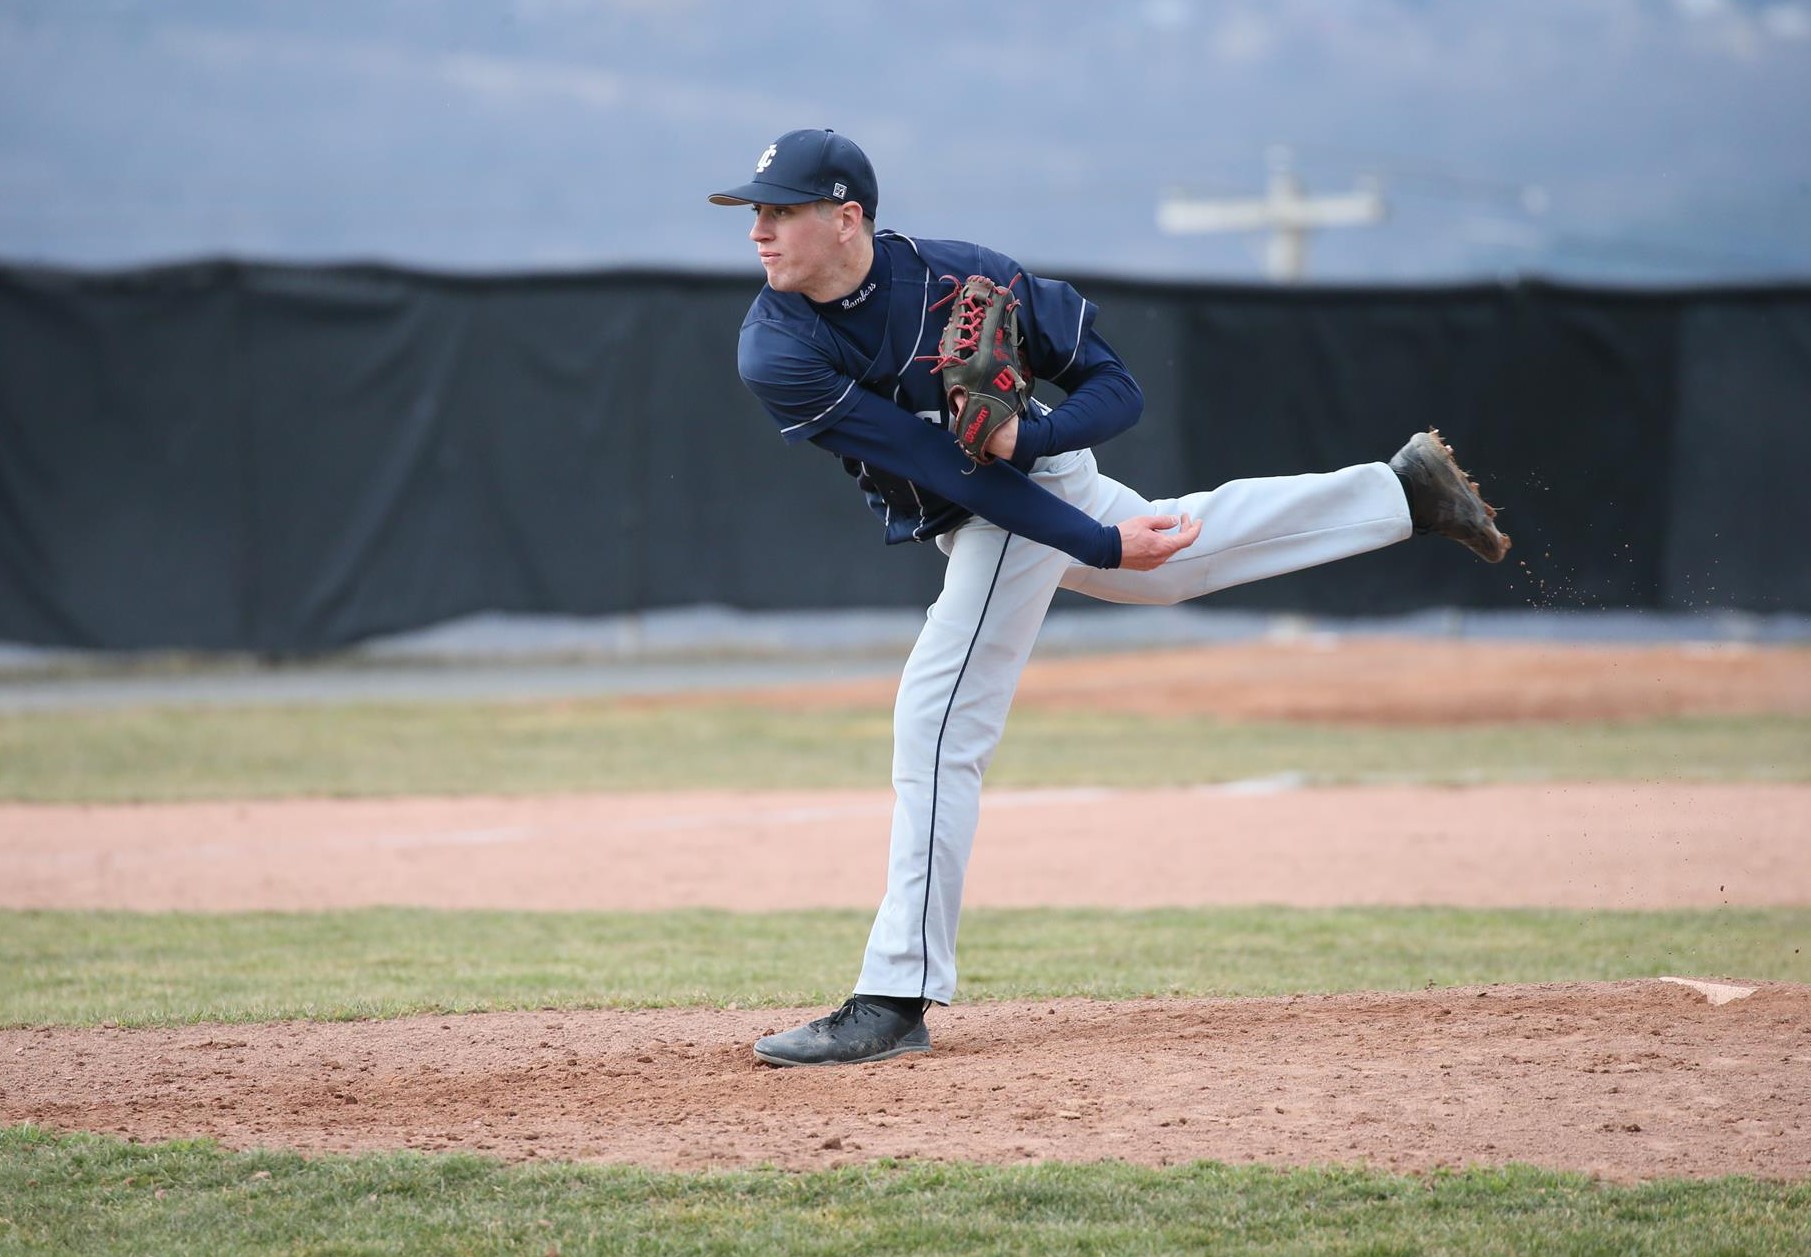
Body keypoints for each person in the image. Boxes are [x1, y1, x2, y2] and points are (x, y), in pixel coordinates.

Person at [709, 128, 1509, 1067]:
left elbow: (1114, 386)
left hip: (1024, 496)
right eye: (755, 212)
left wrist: (1033, 443)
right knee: (1171, 563)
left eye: (780, 210)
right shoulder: (776, 347)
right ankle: (1397, 494)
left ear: (847, 218)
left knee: (936, 722)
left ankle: (894, 993)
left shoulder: (962, 277)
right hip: (983, 503)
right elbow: (943, 467)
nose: (758, 230)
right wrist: (1099, 542)